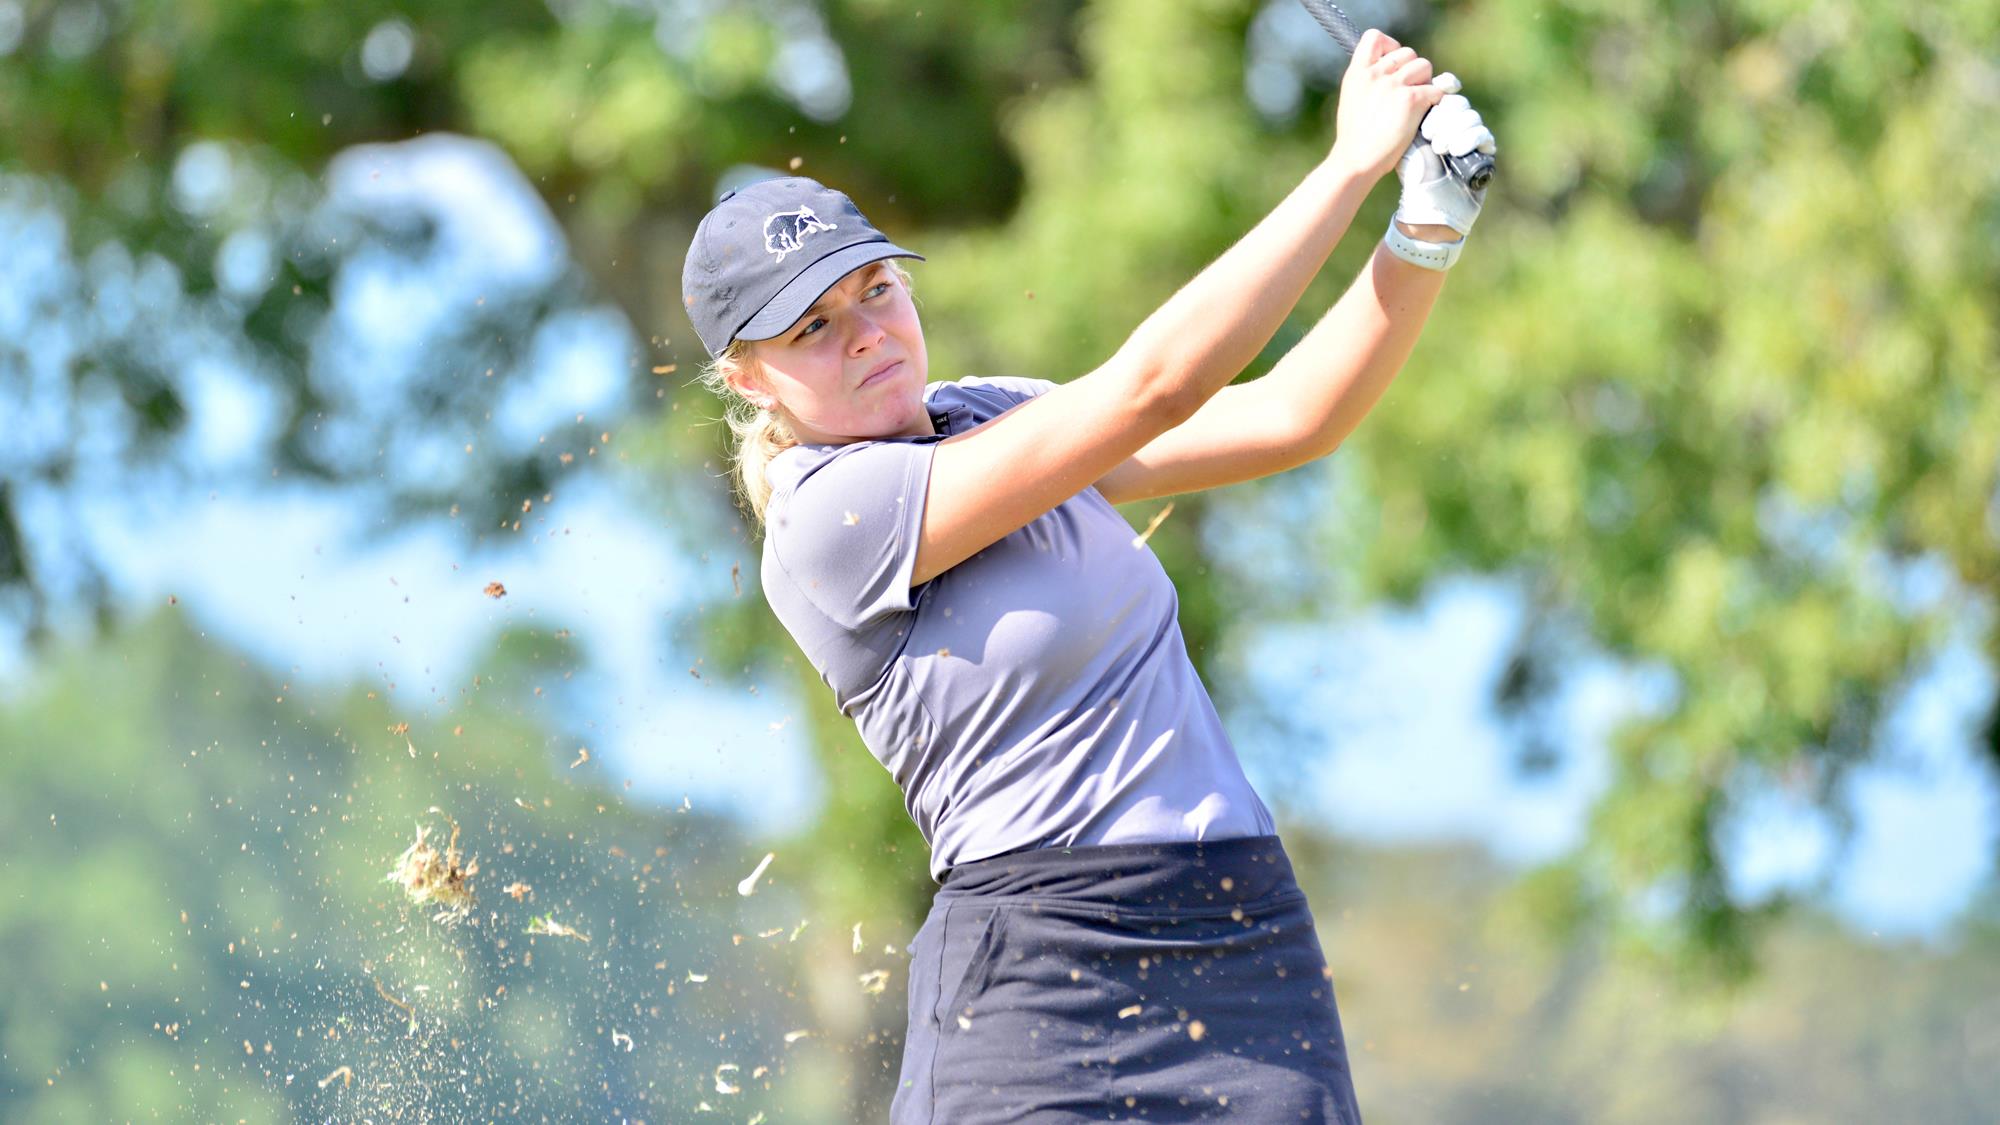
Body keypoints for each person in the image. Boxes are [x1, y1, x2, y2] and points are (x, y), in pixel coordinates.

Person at [681, 28, 1493, 1125]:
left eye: (874, 290)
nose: (865, 334)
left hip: (1241, 938)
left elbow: (1298, 415)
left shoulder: (995, 414)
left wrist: (1425, 220)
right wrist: (1347, 164)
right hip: (1040, 978)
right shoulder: (828, 515)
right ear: (747, 376)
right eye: (812, 328)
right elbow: (1149, 388)